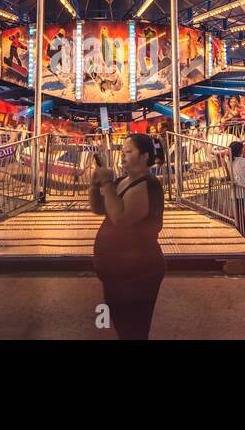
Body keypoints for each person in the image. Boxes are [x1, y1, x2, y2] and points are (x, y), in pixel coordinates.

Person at [89, 134, 166, 340]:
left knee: (133, 329)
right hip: (117, 270)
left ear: (144, 156)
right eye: (122, 152)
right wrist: (96, 185)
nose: (122, 156)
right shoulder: (122, 180)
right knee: (122, 325)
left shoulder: (148, 185)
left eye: (129, 152)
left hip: (138, 271)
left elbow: (121, 218)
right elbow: (99, 208)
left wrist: (107, 182)